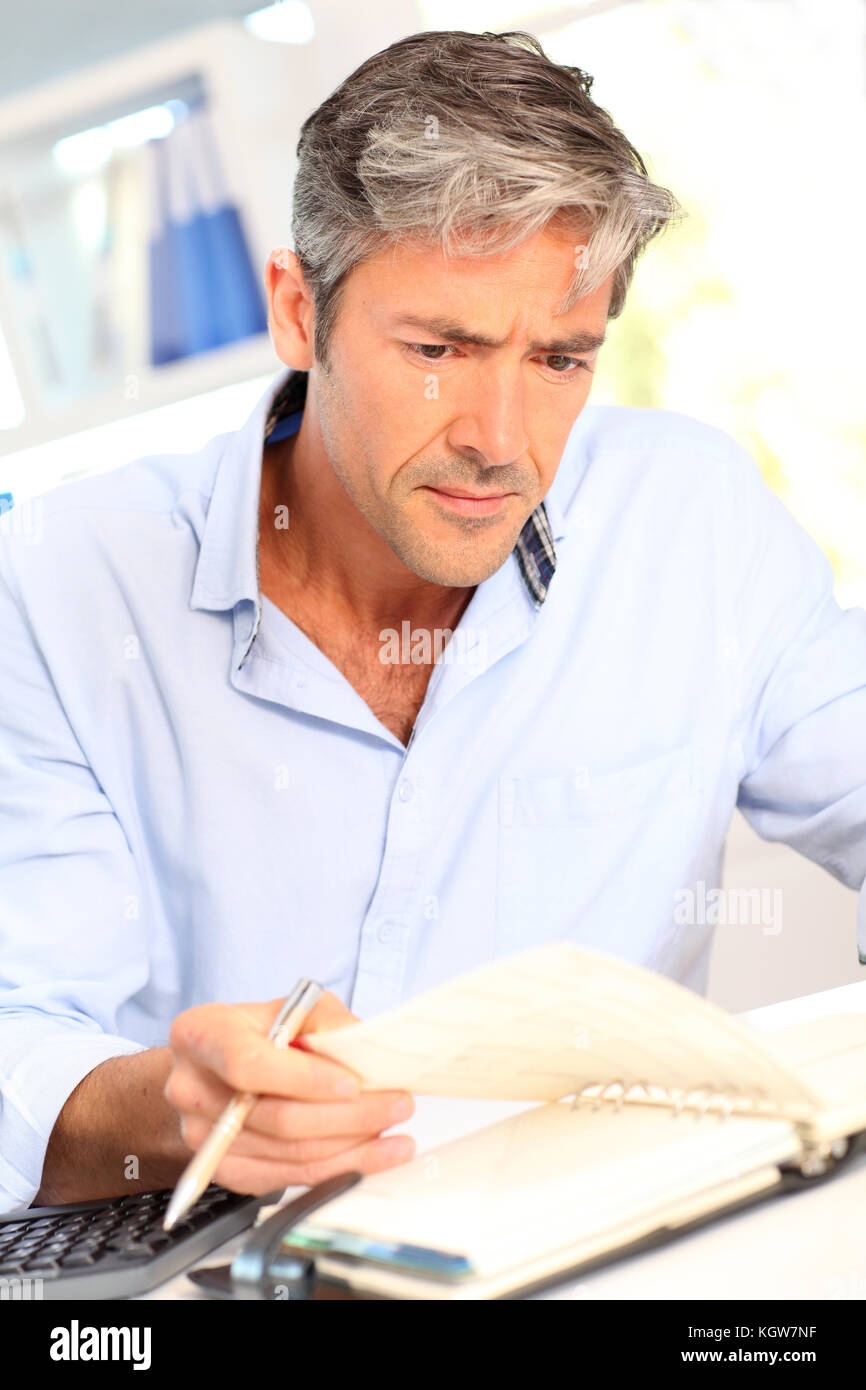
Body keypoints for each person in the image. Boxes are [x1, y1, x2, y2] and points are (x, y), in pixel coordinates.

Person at [1, 30, 864, 1214]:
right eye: (438, 349)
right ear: (298, 312)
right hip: (228, 1271)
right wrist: (173, 1104)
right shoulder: (59, 590)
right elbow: (19, 1031)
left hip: (604, 1261)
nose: (500, 438)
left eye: (560, 358)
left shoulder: (691, 524)